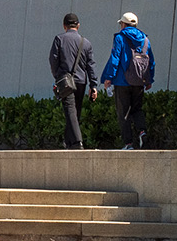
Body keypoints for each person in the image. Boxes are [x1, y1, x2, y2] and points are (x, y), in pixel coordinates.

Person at [102, 11, 157, 149]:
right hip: (139, 81)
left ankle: (128, 143)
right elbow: (151, 61)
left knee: (123, 113)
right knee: (137, 109)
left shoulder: (120, 37)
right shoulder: (145, 39)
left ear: (123, 24)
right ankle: (142, 132)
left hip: (122, 82)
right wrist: (149, 79)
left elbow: (115, 58)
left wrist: (109, 78)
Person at [49, 14, 98, 149]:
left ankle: (77, 142)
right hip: (81, 81)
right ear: (78, 25)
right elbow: (91, 65)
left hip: (65, 82)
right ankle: (68, 142)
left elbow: (53, 60)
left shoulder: (59, 39)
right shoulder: (86, 43)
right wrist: (93, 85)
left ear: (64, 26)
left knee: (70, 111)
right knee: (75, 113)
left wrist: (58, 77)